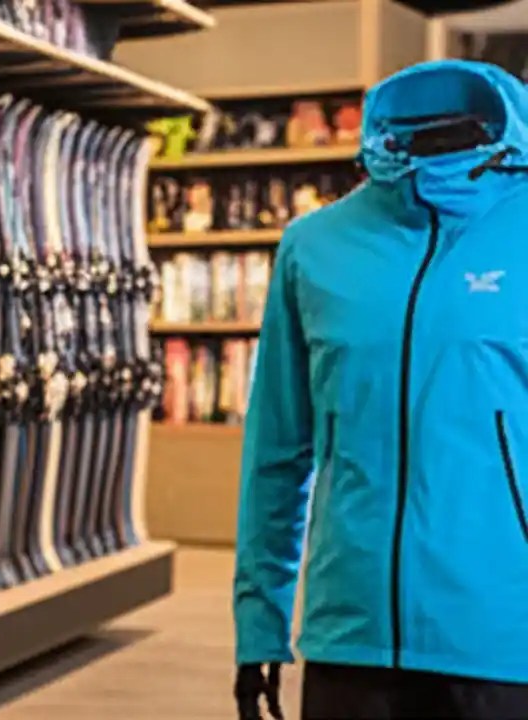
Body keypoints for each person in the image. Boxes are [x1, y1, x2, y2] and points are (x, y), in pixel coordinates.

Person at [233, 59, 528, 719]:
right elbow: (276, 454)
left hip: (506, 638)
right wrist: (259, 623)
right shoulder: (314, 246)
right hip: (352, 635)